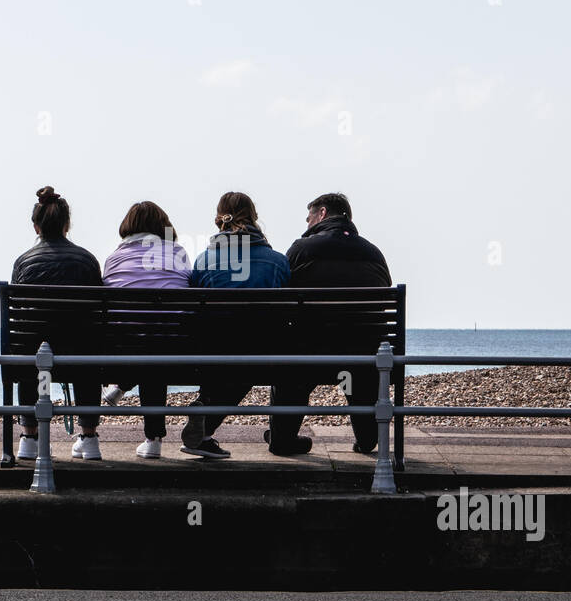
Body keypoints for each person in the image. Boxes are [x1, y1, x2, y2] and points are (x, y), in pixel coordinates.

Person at [267, 192, 391, 455]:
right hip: (363, 358)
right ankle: (368, 438)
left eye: (309, 217)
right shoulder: (374, 252)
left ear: (322, 214)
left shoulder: (302, 248)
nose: (307, 223)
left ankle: (282, 438)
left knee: (292, 366)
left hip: (309, 355)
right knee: (359, 363)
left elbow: (282, 297)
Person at [181, 192, 290, 458]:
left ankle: (205, 423)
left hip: (209, 351)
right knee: (250, 351)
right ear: (253, 217)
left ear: (219, 219)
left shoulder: (204, 260)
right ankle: (207, 427)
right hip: (261, 353)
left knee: (220, 343)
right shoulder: (277, 261)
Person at [10, 186, 104, 460]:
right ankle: (88, 438)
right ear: (67, 224)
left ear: (36, 226)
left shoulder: (23, 262)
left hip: (36, 356)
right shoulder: (87, 260)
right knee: (86, 350)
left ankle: (29, 438)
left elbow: (19, 314)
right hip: (80, 356)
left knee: (31, 351)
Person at [100, 201, 191, 458]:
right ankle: (153, 439)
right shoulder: (178, 253)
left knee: (143, 338)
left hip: (123, 348)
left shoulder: (114, 258)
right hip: (173, 345)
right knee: (156, 341)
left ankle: (122, 386)